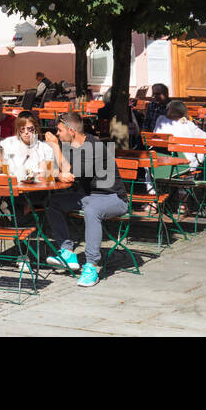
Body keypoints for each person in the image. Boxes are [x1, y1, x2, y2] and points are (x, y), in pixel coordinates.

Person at [42, 113, 129, 287]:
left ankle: (91, 266)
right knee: (53, 203)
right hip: (89, 197)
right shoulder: (70, 145)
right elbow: (56, 171)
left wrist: (55, 148)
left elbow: (70, 174)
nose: (57, 134)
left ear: (71, 131)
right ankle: (67, 252)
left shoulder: (93, 147)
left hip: (113, 198)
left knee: (92, 210)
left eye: (59, 130)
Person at [153, 100, 206, 170]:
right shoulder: (188, 125)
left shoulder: (160, 121)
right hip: (184, 166)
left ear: (169, 110)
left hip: (158, 165)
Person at [0, 112, 55, 180]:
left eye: (30, 129)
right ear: (18, 130)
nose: (26, 132)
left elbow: (47, 176)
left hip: (34, 189)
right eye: (22, 129)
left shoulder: (44, 149)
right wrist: (0, 166)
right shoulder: (8, 144)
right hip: (10, 187)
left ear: (35, 128)